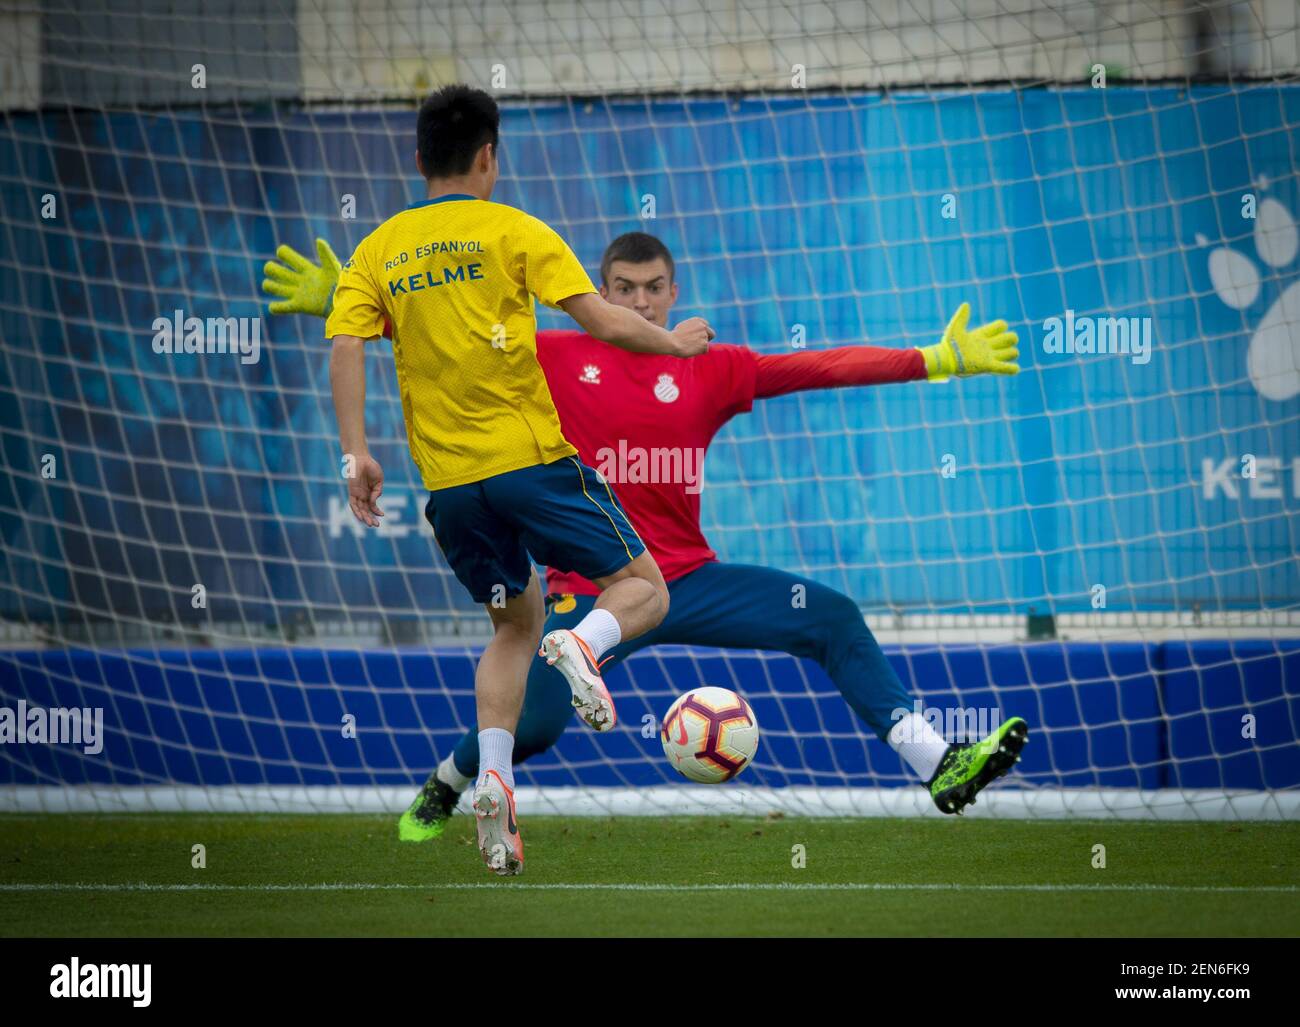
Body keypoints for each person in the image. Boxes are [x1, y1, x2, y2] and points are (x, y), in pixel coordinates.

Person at [271, 225, 1026, 841]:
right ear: (600, 296)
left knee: (830, 616)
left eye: (653, 288)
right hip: (596, 591)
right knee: (532, 724)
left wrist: (932, 359)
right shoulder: (552, 355)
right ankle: (447, 782)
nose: (642, 300)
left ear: (673, 293)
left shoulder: (705, 365)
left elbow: (814, 368)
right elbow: (451, 339)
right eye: (623, 289)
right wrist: (346, 306)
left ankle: (940, 764)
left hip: (690, 580)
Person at [314, 86, 712, 875]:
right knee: (643, 587)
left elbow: (348, 344)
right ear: (489, 156)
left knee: (511, 628)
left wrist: (354, 453)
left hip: (452, 491)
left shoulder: (380, 249)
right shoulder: (515, 230)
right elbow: (600, 319)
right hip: (531, 463)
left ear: (421, 157)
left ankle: (493, 780)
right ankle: (585, 642)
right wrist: (672, 344)